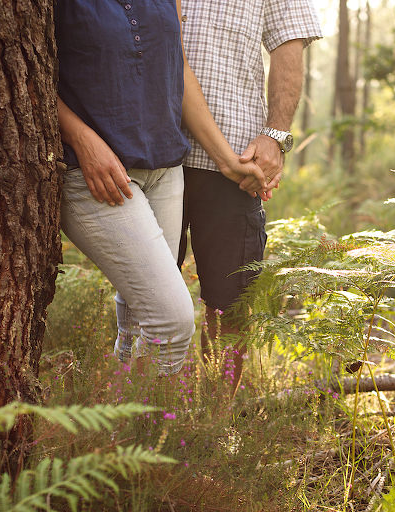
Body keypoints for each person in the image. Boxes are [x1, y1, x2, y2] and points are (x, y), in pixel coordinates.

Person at [55, 0, 269, 377]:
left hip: (167, 169)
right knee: (171, 323)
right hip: (99, 174)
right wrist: (81, 138)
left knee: (141, 317)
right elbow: (26, 75)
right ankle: (142, 429)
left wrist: (225, 160)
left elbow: (178, 67)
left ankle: (121, 415)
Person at [178, 0, 322, 390]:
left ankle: (213, 421)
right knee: (144, 297)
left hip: (237, 162)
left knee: (231, 303)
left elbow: (289, 43)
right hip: (155, 153)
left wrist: (275, 135)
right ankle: (145, 419)